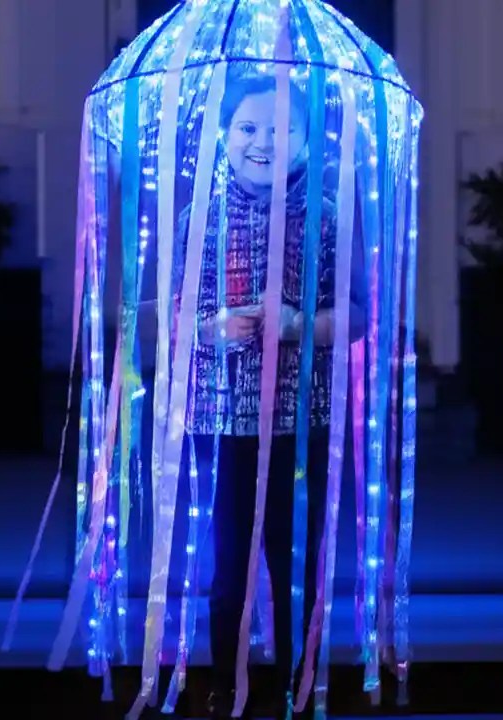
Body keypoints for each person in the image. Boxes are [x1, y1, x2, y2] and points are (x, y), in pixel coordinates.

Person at [170, 74, 364, 720]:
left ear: (306, 140)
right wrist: (212, 328)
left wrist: (300, 325)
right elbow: (173, 317)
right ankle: (226, 688)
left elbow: (357, 315)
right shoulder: (198, 219)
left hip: (302, 420)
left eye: (281, 130)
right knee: (229, 568)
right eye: (248, 128)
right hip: (224, 418)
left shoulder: (327, 219)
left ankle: (296, 688)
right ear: (224, 135)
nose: (262, 142)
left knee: (295, 563)